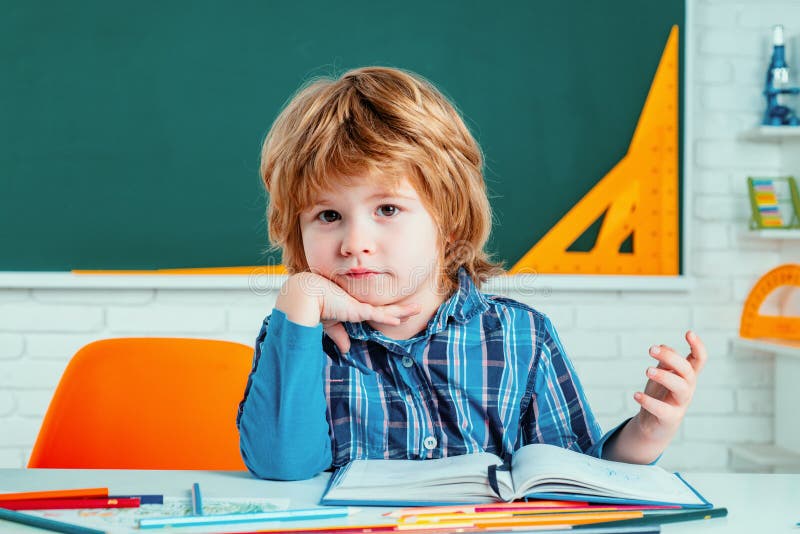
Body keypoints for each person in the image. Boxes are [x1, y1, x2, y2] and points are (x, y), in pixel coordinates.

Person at [236, 66, 707, 481]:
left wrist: (645, 432)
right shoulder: (297, 337)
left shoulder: (521, 336)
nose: (354, 242)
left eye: (387, 208)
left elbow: (572, 472)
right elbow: (281, 466)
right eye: (328, 216)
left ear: (450, 220)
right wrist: (298, 299)